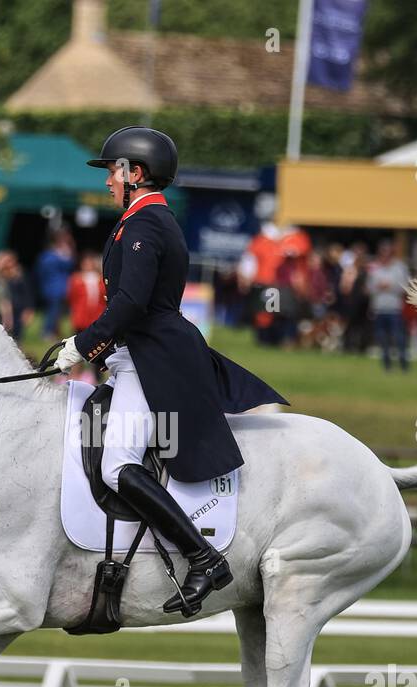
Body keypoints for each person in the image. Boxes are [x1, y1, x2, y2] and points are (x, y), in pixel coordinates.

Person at [54, 126, 287, 616]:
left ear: (136, 173)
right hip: (136, 354)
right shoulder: (145, 220)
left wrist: (81, 344)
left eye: (114, 172)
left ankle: (204, 557)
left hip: (152, 358)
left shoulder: (146, 224)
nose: (108, 182)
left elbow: (132, 303)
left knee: (118, 466)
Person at [368, 239, 410, 372]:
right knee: (382, 339)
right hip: (379, 309)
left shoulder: (399, 268)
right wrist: (378, 286)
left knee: (398, 337)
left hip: (394, 309)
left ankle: (403, 364)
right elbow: (369, 287)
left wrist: (390, 286)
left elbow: (405, 287)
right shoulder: (375, 268)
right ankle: (387, 365)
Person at [36, 229, 76, 339]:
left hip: (52, 287)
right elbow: (69, 264)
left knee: (55, 311)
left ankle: (53, 331)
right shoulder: (53, 256)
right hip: (55, 288)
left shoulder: (47, 256)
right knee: (53, 311)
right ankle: (47, 332)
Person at [66, 250, 106, 333]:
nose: (88, 265)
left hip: (97, 313)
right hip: (81, 313)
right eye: (86, 263)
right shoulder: (76, 278)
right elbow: (71, 296)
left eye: (90, 262)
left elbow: (104, 295)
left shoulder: (101, 278)